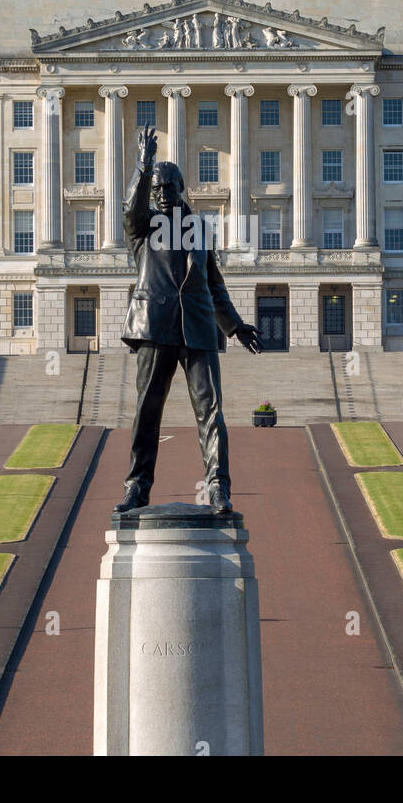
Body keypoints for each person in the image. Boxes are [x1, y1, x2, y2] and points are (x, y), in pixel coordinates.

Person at [117, 124, 262, 515]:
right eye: (157, 189)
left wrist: (234, 325)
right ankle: (137, 487)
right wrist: (144, 165)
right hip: (153, 325)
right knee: (148, 409)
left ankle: (218, 488)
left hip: (197, 327)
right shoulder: (142, 228)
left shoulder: (199, 229)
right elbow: (130, 208)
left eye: (169, 187)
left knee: (211, 410)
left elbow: (213, 284)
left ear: (182, 189)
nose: (163, 195)